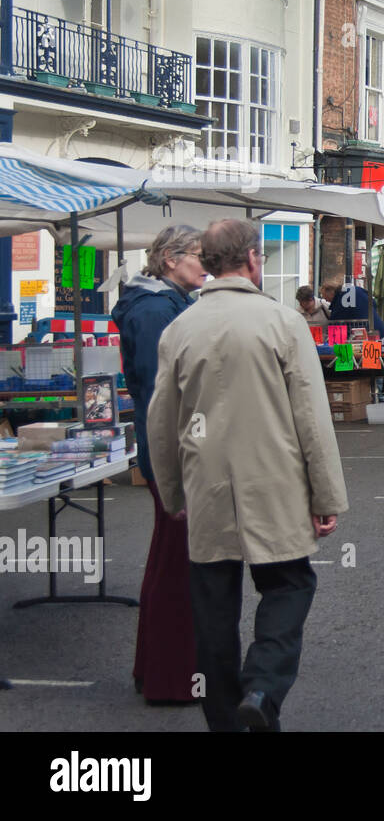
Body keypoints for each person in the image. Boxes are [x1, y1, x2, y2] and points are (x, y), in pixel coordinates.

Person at [149, 219, 348, 731]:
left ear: (208, 262)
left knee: (213, 607)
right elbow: (311, 416)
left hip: (207, 485)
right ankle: (261, 689)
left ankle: (225, 718)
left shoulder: (179, 329)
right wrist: (326, 494)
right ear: (254, 260)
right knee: (288, 585)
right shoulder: (282, 323)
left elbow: (162, 422)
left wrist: (171, 493)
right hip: (274, 482)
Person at [111, 224, 206, 704]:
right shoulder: (154, 310)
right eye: (197, 255)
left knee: (168, 562)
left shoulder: (167, 304)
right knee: (176, 568)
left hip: (168, 449)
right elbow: (160, 394)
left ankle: (157, 670)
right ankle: (170, 679)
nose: (205, 264)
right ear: (170, 259)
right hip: (170, 453)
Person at [320, 276, 384, 337]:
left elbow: (335, 324)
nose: (326, 300)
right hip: (378, 329)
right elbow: (374, 303)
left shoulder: (341, 300)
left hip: (365, 335)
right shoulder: (356, 289)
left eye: (325, 296)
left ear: (331, 292)